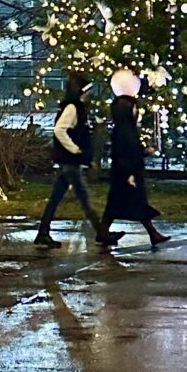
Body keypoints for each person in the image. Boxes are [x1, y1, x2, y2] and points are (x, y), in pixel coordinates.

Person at [34, 73, 110, 248]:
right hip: (71, 162)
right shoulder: (73, 108)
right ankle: (101, 233)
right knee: (84, 198)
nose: (88, 94)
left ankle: (43, 232)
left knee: (56, 199)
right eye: (86, 91)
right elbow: (60, 130)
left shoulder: (74, 107)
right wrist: (76, 150)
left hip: (68, 162)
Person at [100, 69, 170, 251]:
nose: (137, 112)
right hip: (126, 175)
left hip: (125, 174)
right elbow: (124, 153)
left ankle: (104, 232)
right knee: (135, 205)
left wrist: (144, 151)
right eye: (134, 109)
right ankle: (153, 234)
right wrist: (130, 173)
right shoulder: (124, 131)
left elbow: (131, 150)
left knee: (117, 206)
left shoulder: (125, 129)